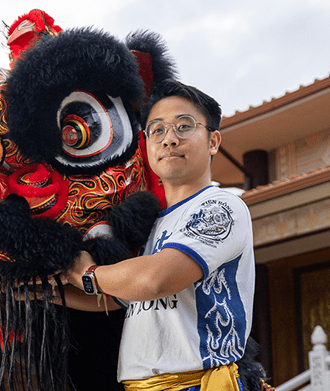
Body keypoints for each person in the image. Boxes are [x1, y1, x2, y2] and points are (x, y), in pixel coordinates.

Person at [64, 79, 256, 391]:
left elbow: (154, 280)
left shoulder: (221, 207)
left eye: (184, 126)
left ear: (213, 141)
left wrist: (86, 274)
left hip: (196, 384)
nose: (169, 139)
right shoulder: (150, 224)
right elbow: (118, 297)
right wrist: (31, 288)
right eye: (157, 130)